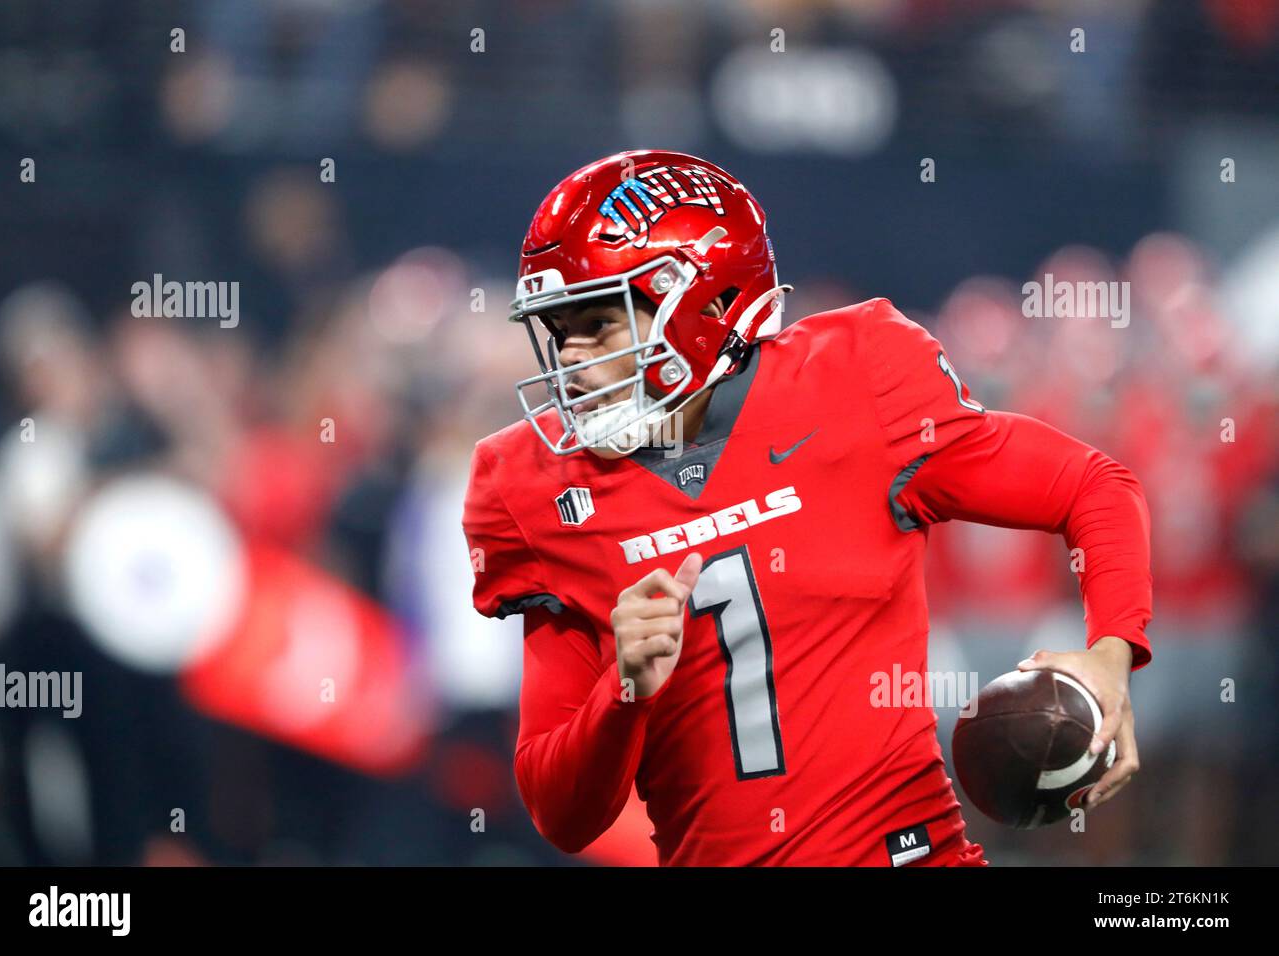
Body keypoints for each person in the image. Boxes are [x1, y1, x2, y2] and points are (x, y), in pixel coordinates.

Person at [462, 149, 1152, 865]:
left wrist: (1111, 653)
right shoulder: (534, 490)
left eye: (599, 323)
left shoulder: (857, 379)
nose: (572, 358)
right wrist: (624, 693)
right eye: (560, 329)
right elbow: (560, 814)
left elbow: (1093, 486)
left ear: (707, 302)